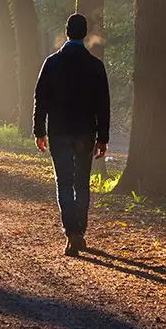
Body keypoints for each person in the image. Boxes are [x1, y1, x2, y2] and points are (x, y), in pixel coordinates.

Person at [33, 13, 109, 256]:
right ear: (85, 34)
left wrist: (38, 130)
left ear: (67, 32)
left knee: (64, 182)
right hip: (86, 132)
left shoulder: (52, 62)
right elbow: (103, 104)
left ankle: (71, 232)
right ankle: (80, 231)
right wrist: (103, 137)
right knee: (81, 184)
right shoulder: (95, 66)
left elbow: (40, 98)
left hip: (58, 131)